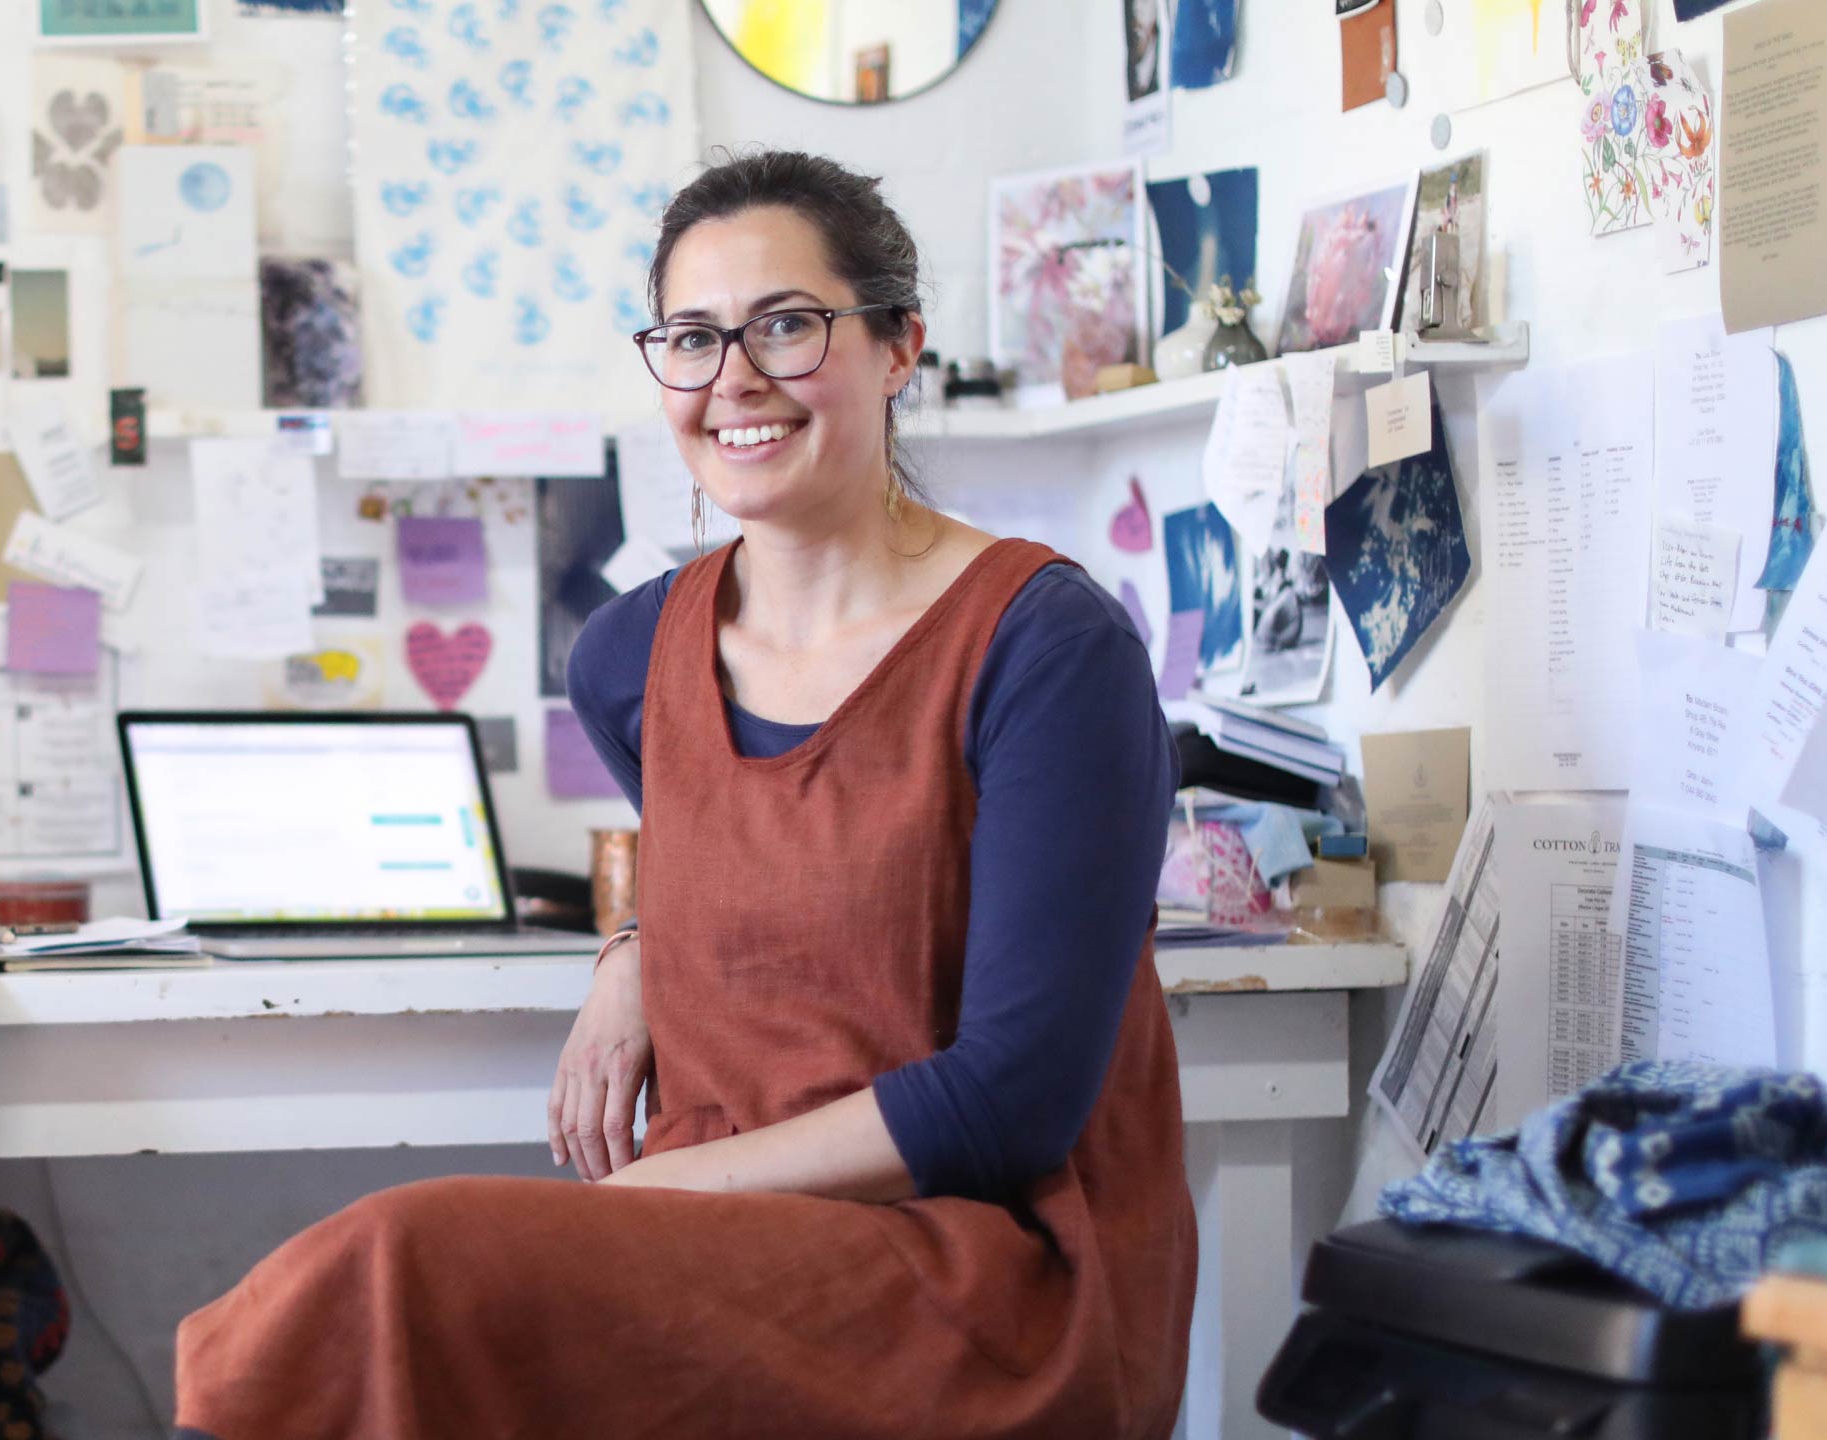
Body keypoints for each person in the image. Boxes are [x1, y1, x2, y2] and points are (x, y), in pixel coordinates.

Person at [171, 149, 1193, 1439]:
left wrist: (645, 1200)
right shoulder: (629, 657)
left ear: (897, 349)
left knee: (409, 1264)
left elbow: (1010, 1103)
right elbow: (755, 845)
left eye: (787, 325)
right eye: (692, 338)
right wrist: (636, 949)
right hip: (726, 1248)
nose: (735, 381)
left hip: (968, 1275)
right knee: (412, 1314)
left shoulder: (1048, 650)